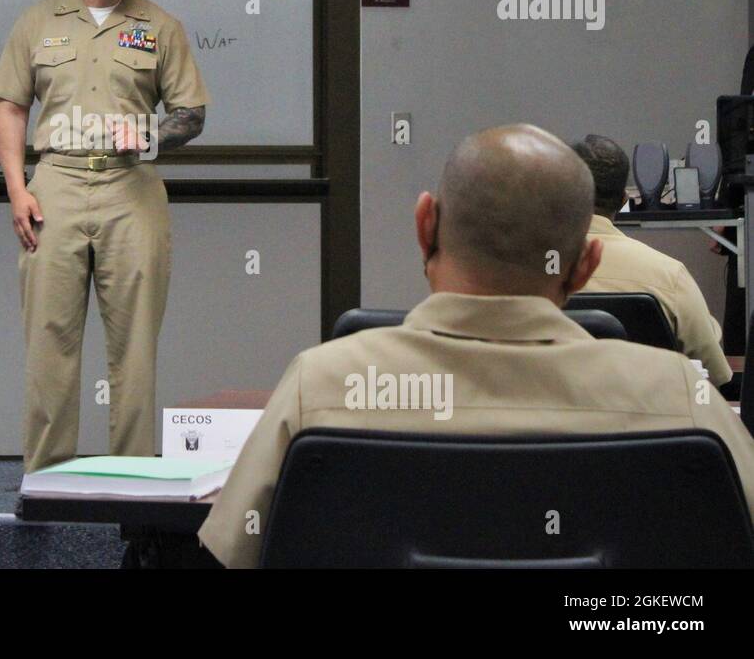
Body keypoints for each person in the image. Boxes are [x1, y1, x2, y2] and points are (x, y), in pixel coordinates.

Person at [198, 124, 754, 568]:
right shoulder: (683, 400)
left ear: (424, 226)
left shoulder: (318, 387)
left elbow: (232, 553)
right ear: (585, 265)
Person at [0, 0, 210, 472]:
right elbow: (11, 107)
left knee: (134, 350)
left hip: (130, 191)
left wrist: (149, 132)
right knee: (49, 344)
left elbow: (191, 115)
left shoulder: (160, 26)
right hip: (55, 186)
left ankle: (131, 483)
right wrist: (18, 191)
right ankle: (44, 480)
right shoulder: (39, 21)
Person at [571, 134, 731, 384]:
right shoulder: (669, 275)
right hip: (652, 419)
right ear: (624, 200)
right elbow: (714, 373)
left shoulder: (521, 274)